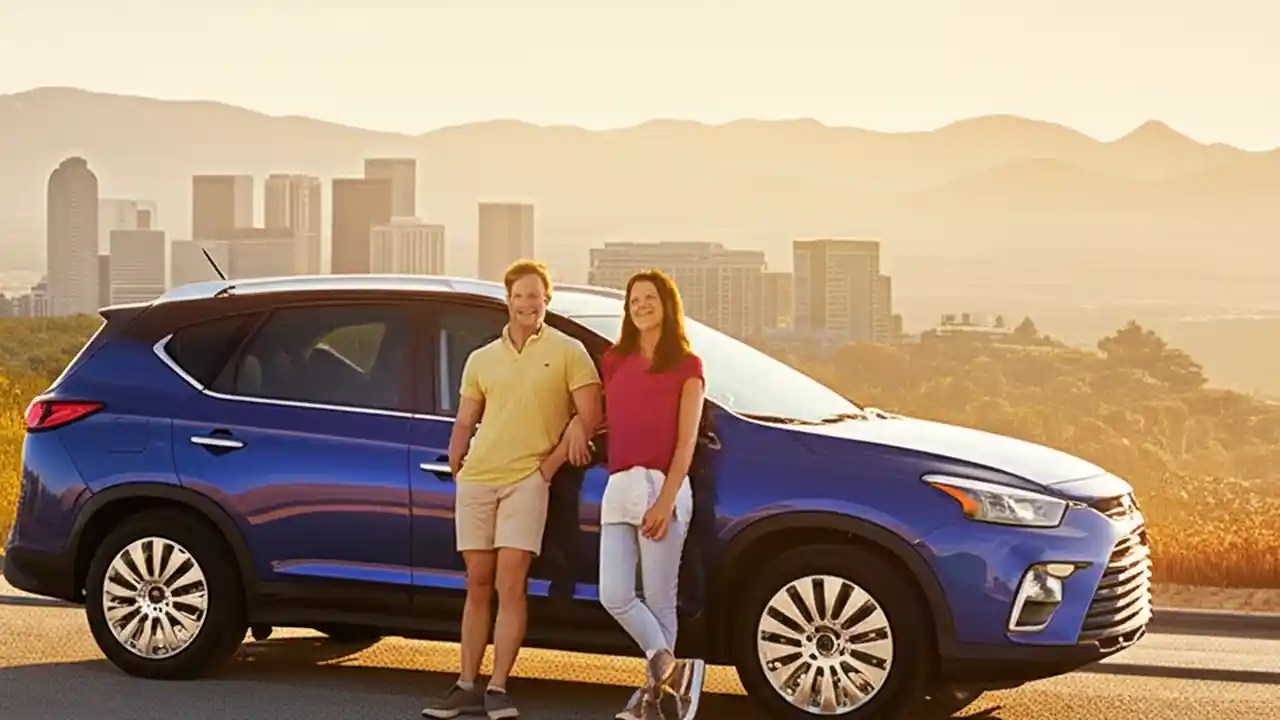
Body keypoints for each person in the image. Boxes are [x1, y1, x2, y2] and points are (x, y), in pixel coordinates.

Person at [423, 260, 602, 720]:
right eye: (519, 295)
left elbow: (592, 413)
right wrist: (457, 463)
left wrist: (550, 465)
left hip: (527, 480)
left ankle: (498, 689)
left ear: (548, 299)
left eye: (535, 295)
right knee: (477, 584)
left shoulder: (569, 351)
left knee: (511, 584)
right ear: (508, 300)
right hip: (479, 480)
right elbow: (466, 419)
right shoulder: (482, 358)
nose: (527, 303)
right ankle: (465, 685)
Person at [598, 269, 707, 720]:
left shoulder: (687, 365)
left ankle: (653, 702)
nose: (640, 305)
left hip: (663, 486)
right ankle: (674, 672)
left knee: (661, 601)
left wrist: (665, 502)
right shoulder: (614, 359)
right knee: (614, 593)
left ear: (666, 305)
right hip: (619, 485)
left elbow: (686, 443)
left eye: (649, 298)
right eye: (634, 299)